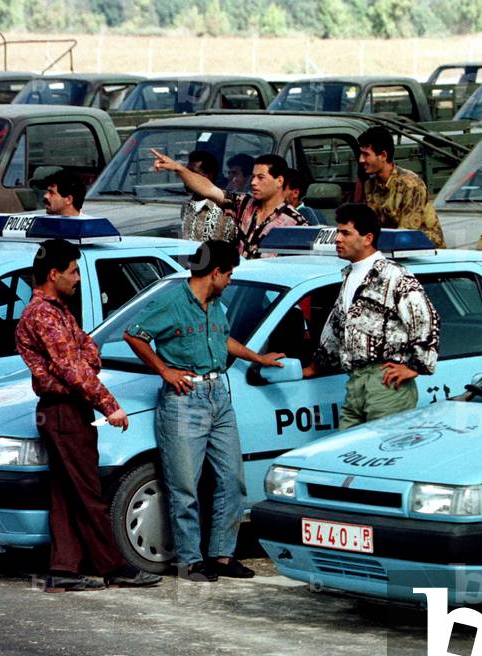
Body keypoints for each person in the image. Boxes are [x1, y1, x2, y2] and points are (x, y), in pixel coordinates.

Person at [123, 238, 285, 581]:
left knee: (231, 479)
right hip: (185, 399)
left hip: (218, 395)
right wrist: (164, 370)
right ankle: (190, 561)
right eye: (229, 275)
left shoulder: (214, 304)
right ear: (215, 272)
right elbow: (135, 335)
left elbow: (222, 339)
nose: (230, 281)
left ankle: (222, 556)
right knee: (185, 486)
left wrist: (258, 358)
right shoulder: (171, 302)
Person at [15, 240, 161, 593]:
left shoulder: (57, 311)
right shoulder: (45, 315)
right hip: (64, 410)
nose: (78, 278)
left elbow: (89, 351)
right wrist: (110, 406)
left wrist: (81, 360)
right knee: (87, 492)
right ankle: (114, 566)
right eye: (73, 271)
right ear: (54, 274)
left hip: (64, 408)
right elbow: (74, 368)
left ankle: (64, 569)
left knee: (67, 494)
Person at [303, 203, 439, 429]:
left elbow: (426, 319)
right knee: (349, 445)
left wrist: (416, 366)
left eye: (346, 233)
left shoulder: (394, 275)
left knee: (383, 447)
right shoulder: (349, 276)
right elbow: (337, 328)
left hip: (386, 383)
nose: (338, 239)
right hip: (355, 382)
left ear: (367, 238)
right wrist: (315, 367)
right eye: (338, 232)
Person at [151, 150, 306, 258]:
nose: (253, 182)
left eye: (260, 177)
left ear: (279, 181)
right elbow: (208, 188)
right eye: (253, 177)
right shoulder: (242, 204)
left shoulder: (296, 224)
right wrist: (178, 168)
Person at [358, 125, 446, 249]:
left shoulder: (411, 185)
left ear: (383, 156)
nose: (361, 160)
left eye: (366, 155)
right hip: (390, 249)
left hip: (425, 253)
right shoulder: (370, 185)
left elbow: (406, 235)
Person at [180, 150, 237, 242]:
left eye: (192, 173)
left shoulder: (225, 208)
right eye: (186, 173)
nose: (187, 177)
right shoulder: (186, 207)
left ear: (208, 177)